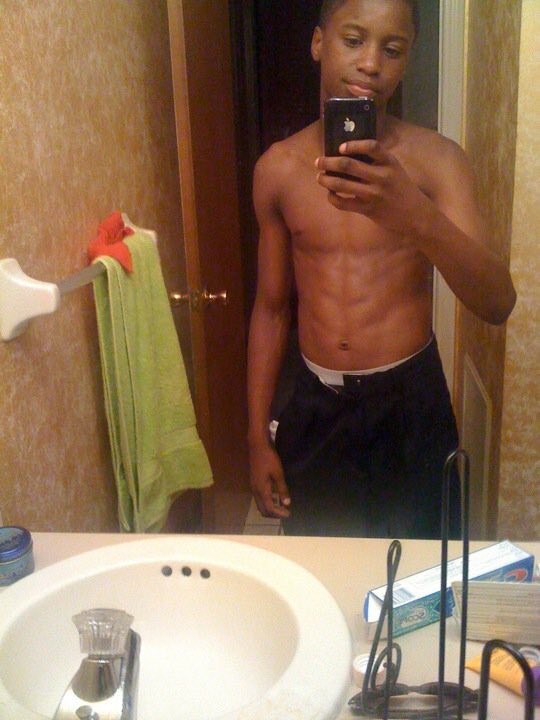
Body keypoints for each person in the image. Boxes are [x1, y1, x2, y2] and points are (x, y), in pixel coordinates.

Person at [247, 0, 516, 538]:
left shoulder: (438, 161)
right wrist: (256, 439)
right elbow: (271, 310)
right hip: (315, 406)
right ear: (318, 43)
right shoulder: (277, 169)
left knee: (421, 574)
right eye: (353, 40)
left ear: (407, 58)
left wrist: (415, 215)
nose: (371, 63)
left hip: (411, 406)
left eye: (392, 49)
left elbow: (496, 302)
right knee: (322, 570)